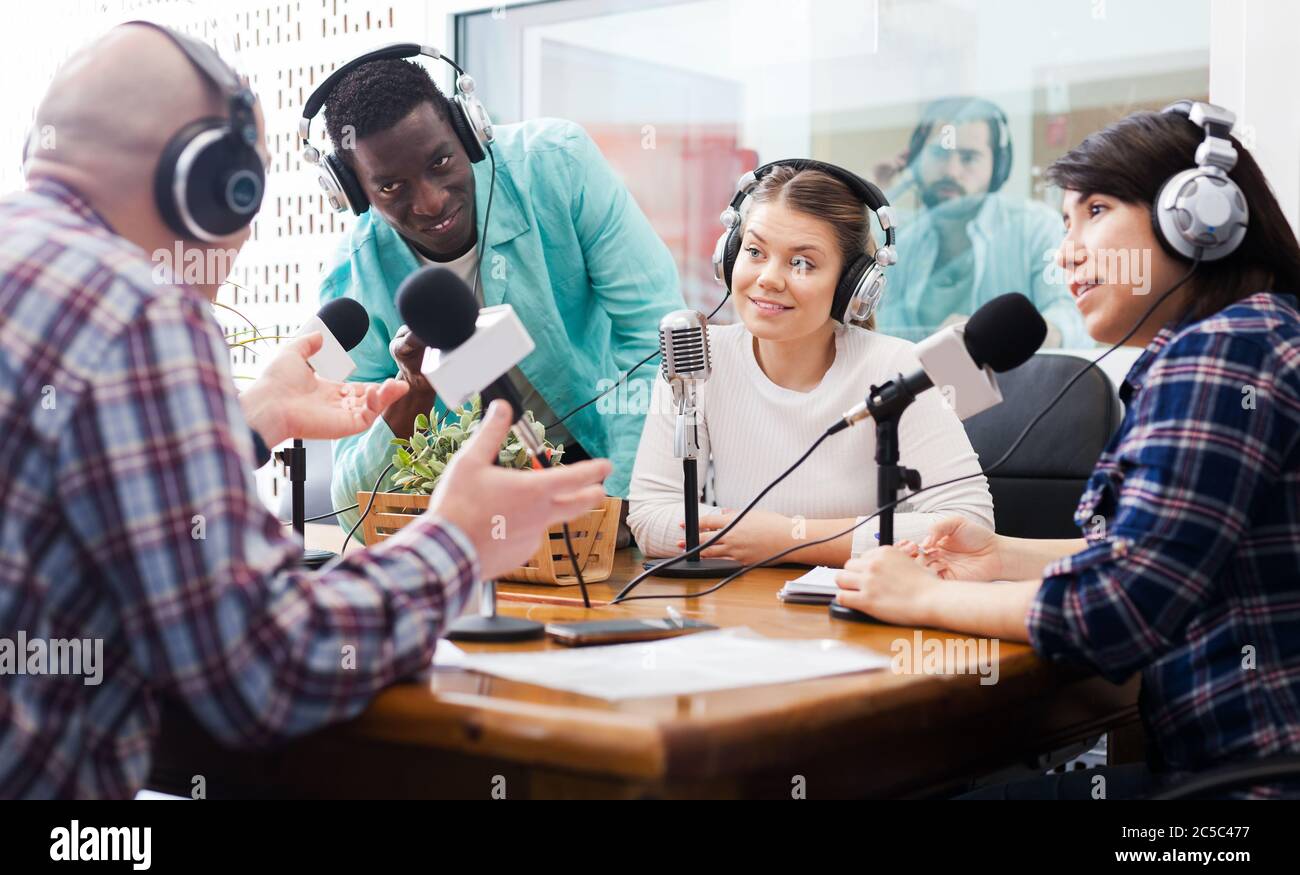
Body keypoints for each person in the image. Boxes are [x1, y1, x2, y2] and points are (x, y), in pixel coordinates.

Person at [0, 22, 610, 799]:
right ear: (212, 181)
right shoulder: (132, 309)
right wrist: (455, 544)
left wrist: (252, 419)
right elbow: (261, 667)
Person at [836, 104, 1300, 798]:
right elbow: (1161, 559)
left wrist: (922, 598)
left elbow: (1112, 613)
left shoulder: (1221, 357)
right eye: (1063, 224)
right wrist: (1004, 557)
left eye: (1096, 211)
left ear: (1196, 217)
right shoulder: (1258, 332)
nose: (1067, 252)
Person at [313, 54, 684, 535]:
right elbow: (352, 509)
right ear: (353, 192)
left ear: (468, 131)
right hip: (474, 511)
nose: (430, 202)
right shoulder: (346, 281)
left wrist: (624, 504)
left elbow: (655, 339)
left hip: (606, 459)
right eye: (390, 186)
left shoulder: (559, 165)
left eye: (440, 161)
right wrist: (414, 392)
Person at [628, 163, 993, 566]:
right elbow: (649, 517)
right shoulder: (695, 356)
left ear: (854, 285)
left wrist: (784, 539)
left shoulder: (904, 364)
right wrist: (751, 534)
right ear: (729, 256)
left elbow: (970, 525)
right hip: (744, 610)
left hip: (870, 612)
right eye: (754, 251)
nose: (768, 278)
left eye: (802, 262)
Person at [872, 96, 1090, 347]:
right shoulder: (901, 242)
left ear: (998, 166)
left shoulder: (1036, 228)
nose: (951, 171)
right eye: (939, 154)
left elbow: (1071, 319)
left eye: (968, 157)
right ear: (916, 162)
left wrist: (998, 338)